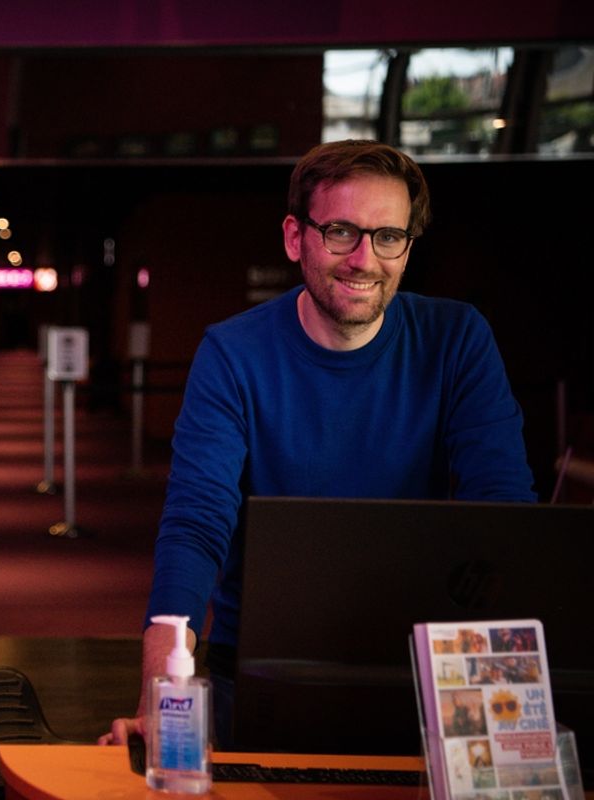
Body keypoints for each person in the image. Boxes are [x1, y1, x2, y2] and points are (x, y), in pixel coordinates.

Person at [99, 139, 536, 748]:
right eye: (340, 232)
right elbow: (196, 528)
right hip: (259, 665)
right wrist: (158, 696)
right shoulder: (233, 353)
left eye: (388, 236)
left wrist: (515, 708)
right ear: (294, 237)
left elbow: (505, 514)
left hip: (425, 666)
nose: (365, 258)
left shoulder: (457, 339)